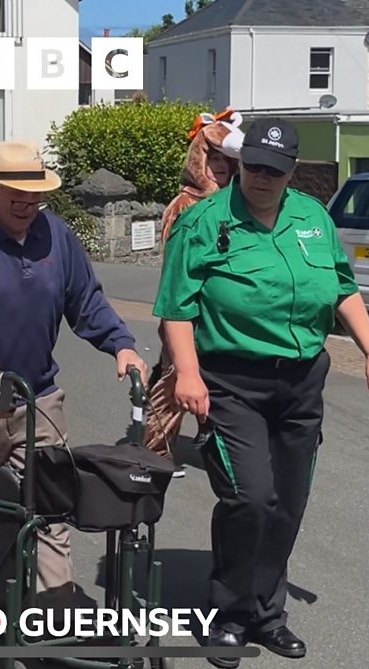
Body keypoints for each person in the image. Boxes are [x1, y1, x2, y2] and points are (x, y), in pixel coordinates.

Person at [152, 118, 369, 669]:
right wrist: (187, 373)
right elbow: (175, 307)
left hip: (302, 380)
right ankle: (226, 614)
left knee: (288, 502)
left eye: (274, 170)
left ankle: (265, 612)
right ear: (239, 163)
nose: (261, 177)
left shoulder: (312, 217)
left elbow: (342, 287)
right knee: (250, 496)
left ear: (291, 173)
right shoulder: (206, 222)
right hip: (230, 380)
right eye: (253, 165)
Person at [0, 140, 147, 615]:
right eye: (13, 194)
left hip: (39, 398)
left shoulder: (56, 236)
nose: (26, 204)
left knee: (51, 502)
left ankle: (55, 600)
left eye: (34, 195)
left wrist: (121, 342)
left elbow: (85, 301)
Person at [145, 108, 243, 476]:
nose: (219, 167)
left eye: (225, 161)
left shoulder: (237, 204)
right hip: (187, 313)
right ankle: (155, 451)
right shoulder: (184, 204)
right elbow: (176, 267)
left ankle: (213, 444)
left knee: (216, 381)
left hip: (222, 317)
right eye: (212, 158)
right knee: (174, 382)